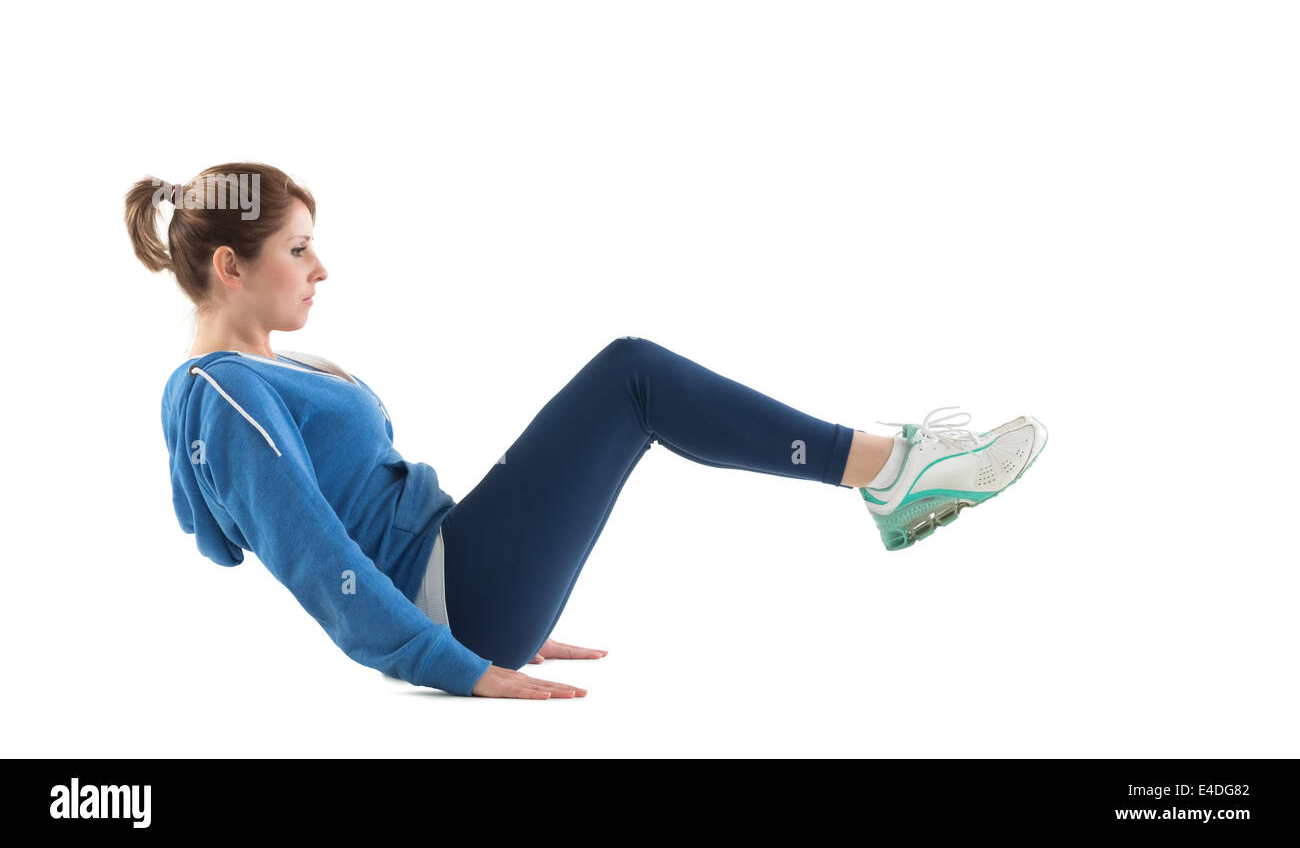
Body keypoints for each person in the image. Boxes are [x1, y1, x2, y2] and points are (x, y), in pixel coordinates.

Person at [125, 162, 1048, 700]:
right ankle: (888, 471)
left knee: (628, 380)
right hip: (452, 601)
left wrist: (500, 614)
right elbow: (315, 559)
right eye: (296, 249)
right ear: (229, 268)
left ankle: (886, 473)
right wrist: (461, 657)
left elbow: (214, 540)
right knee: (630, 375)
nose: (320, 268)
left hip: (461, 583)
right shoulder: (226, 396)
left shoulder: (239, 387)